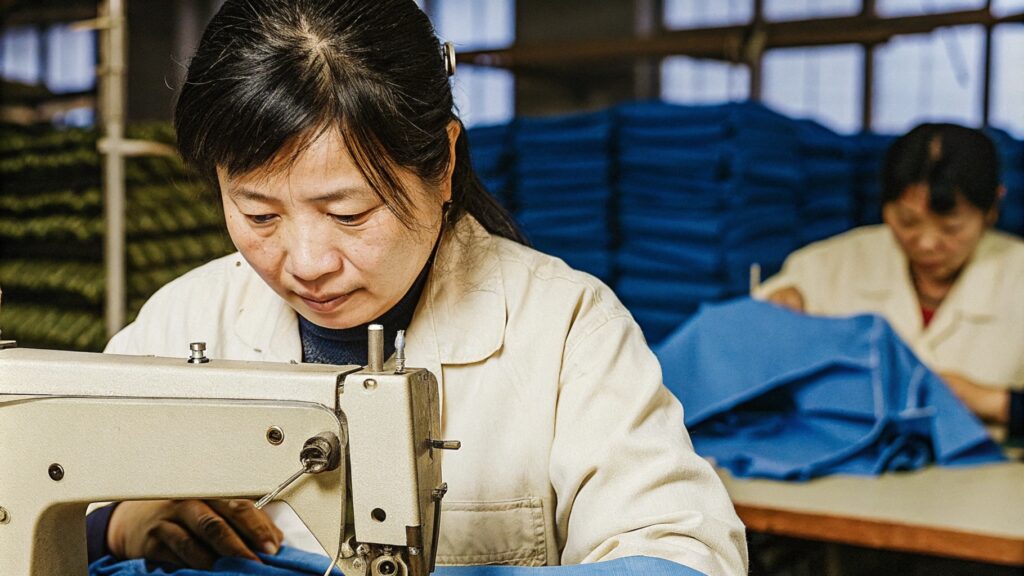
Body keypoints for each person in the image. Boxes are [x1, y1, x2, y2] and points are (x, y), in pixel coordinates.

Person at [84, 1, 748, 574]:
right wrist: (114, 524)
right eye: (259, 215)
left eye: (349, 215)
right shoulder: (183, 321)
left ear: (443, 165)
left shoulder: (566, 328)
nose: (307, 262)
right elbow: (42, 497)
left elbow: (684, 552)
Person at [758, 123, 1024, 438]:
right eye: (907, 221)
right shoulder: (829, 266)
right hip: (844, 476)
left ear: (993, 206)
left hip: (991, 477)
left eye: (950, 228)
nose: (926, 243)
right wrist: (772, 315)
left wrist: (995, 402)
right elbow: (747, 352)